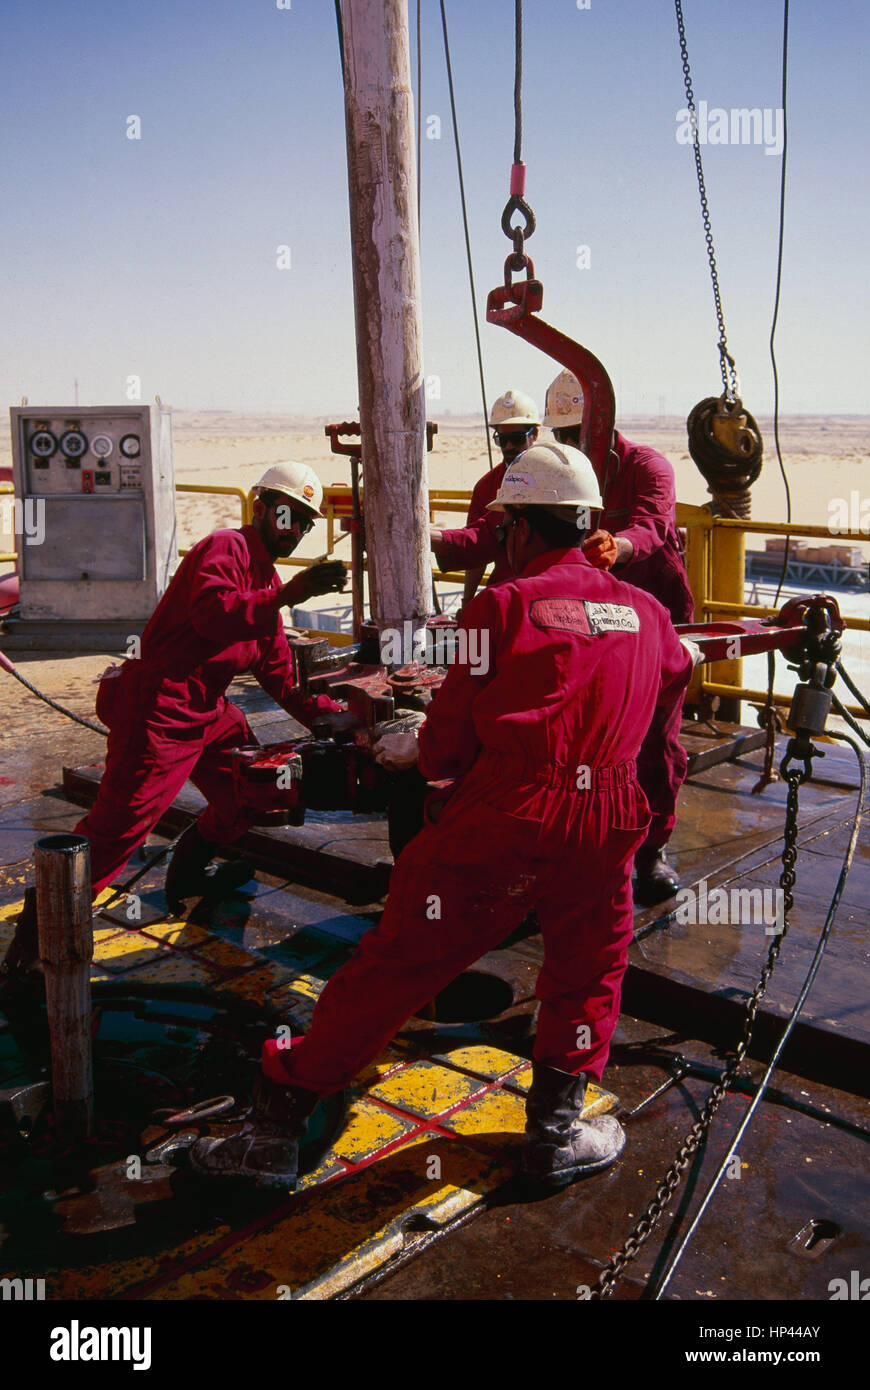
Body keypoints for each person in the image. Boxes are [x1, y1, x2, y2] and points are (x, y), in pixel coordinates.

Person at [190, 443, 697, 1192]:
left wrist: (408, 751)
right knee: (589, 971)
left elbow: (447, 748)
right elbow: (666, 716)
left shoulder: (502, 607)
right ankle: (557, 1134)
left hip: (511, 816)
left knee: (398, 966)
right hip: (609, 818)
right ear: (583, 520)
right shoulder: (649, 615)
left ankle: (272, 1131)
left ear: (520, 529)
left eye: (503, 532)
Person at [2, 462, 348, 979]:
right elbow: (215, 614)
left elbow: (280, 673)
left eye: (304, 523)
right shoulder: (225, 549)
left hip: (207, 709)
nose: (293, 530)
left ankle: (189, 872)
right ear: (260, 508)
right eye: (286, 515)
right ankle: (35, 942)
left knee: (249, 790)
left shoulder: (268, 578)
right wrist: (287, 596)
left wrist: (337, 721)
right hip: (157, 708)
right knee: (118, 831)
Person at [543, 369, 695, 906]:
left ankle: (652, 851)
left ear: (601, 427)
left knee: (655, 740)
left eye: (576, 435)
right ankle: (582, 844)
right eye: (561, 436)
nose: (568, 446)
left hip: (655, 620)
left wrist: (618, 547)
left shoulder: (647, 466)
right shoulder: (560, 473)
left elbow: (654, 526)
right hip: (590, 619)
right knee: (584, 735)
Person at [429, 387, 540, 610]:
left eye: (516, 438)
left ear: (534, 434)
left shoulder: (554, 477)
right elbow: (477, 547)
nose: (508, 447)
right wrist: (468, 601)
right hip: (506, 590)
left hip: (545, 587)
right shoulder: (487, 486)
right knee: (475, 642)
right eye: (502, 439)